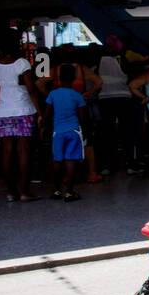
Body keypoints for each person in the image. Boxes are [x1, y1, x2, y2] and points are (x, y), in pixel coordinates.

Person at [0, 29, 44, 202]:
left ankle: (11, 192)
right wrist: (40, 112)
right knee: (23, 151)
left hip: (4, 111)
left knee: (6, 151)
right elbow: (31, 89)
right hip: (22, 109)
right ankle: (24, 191)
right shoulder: (22, 63)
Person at [46, 64, 88, 202]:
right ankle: (69, 192)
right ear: (74, 78)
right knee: (71, 160)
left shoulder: (53, 94)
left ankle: (57, 190)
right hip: (74, 130)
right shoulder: (77, 95)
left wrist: (44, 127)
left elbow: (48, 114)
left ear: (59, 77)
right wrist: (86, 131)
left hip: (58, 131)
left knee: (57, 160)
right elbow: (82, 117)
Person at [96, 35, 134, 174]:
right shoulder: (123, 58)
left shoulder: (98, 58)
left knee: (107, 132)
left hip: (105, 97)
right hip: (124, 97)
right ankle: (129, 164)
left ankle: (107, 165)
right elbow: (129, 74)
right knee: (126, 131)